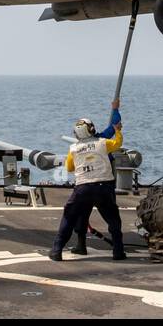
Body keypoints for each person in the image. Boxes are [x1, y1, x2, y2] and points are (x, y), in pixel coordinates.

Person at [50, 104, 126, 261]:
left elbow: (69, 167)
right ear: (91, 129)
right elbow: (118, 143)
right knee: (113, 219)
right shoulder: (103, 143)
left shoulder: (73, 149)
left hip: (83, 188)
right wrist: (118, 130)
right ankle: (118, 251)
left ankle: (57, 250)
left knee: (69, 216)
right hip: (104, 187)